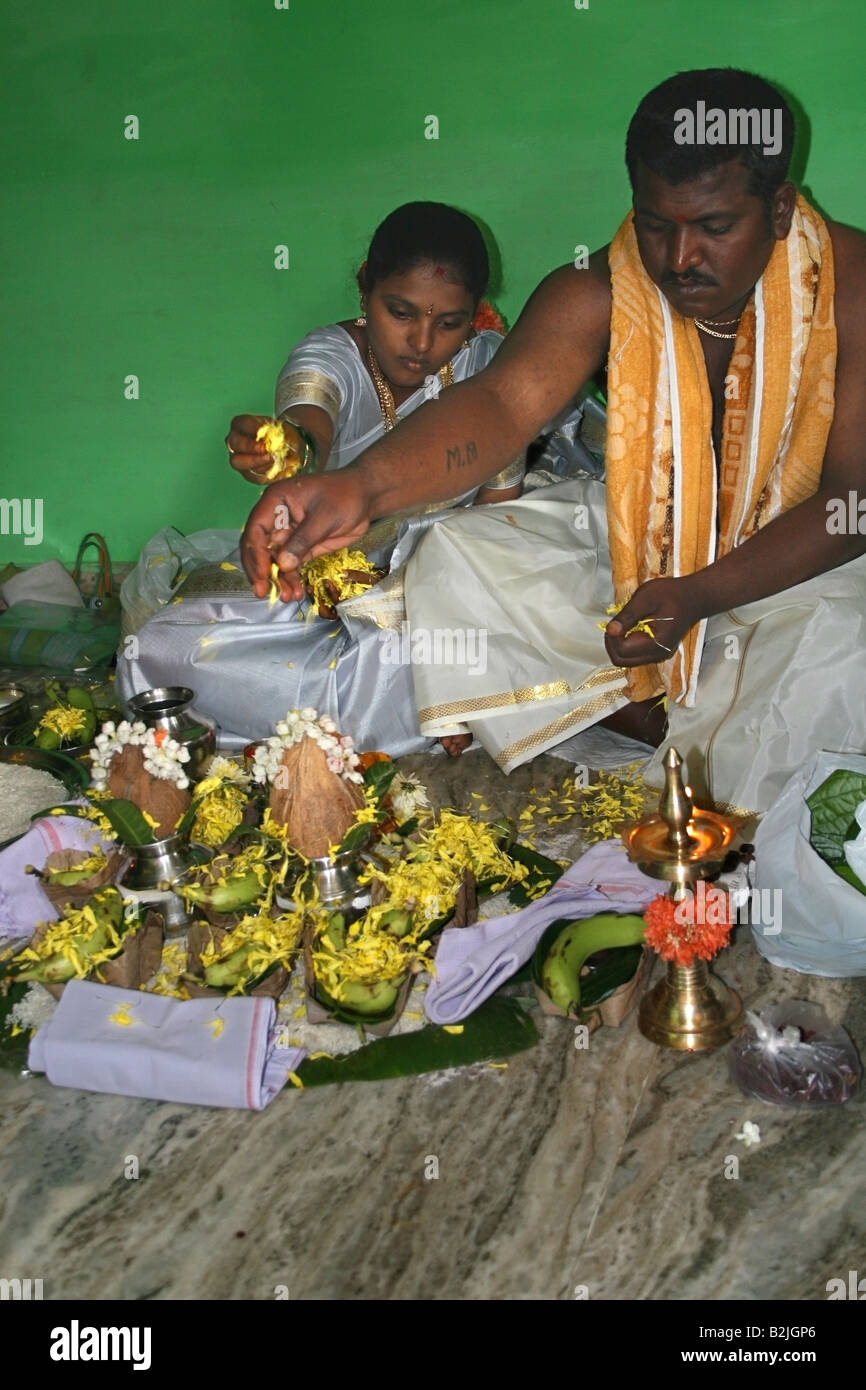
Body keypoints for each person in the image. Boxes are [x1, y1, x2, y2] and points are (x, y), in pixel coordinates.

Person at [242, 69, 866, 816]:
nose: (679, 259)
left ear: (779, 208)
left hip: (807, 562)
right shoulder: (601, 287)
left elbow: (852, 503)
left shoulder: (854, 285)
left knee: (842, 647)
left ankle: (672, 714)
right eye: (657, 224)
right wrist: (357, 489)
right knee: (463, 555)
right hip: (655, 548)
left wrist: (702, 594)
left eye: (714, 228)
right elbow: (500, 406)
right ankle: (662, 716)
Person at [118, 202, 536, 754]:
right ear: (366, 291)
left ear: (475, 316)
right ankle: (420, 711)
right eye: (401, 312)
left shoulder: (490, 373)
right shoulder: (331, 355)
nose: (421, 342)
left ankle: (432, 702)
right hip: (327, 572)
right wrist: (287, 452)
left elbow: (493, 527)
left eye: (448, 323)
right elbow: (308, 427)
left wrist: (433, 615)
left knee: (474, 648)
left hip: (447, 586)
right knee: (161, 650)